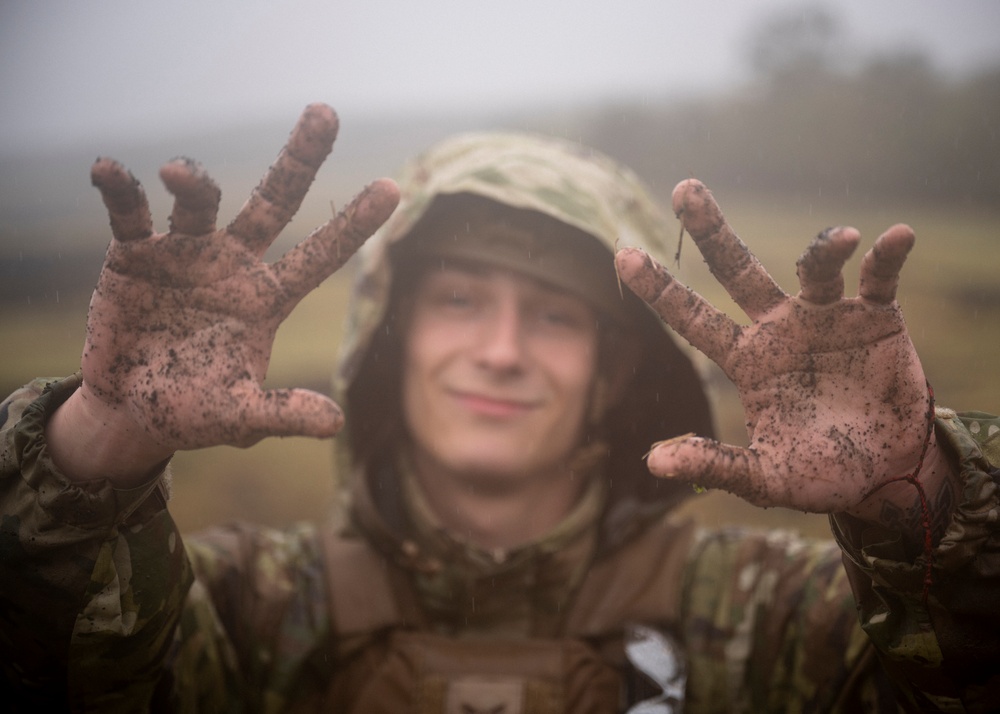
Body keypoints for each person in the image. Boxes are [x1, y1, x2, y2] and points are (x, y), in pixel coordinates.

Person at [1, 103, 997, 713]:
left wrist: (916, 495)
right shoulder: (242, 612)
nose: (502, 350)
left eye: (556, 316)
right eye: (459, 298)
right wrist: (104, 445)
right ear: (394, 338)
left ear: (615, 372)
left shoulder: (775, 622)